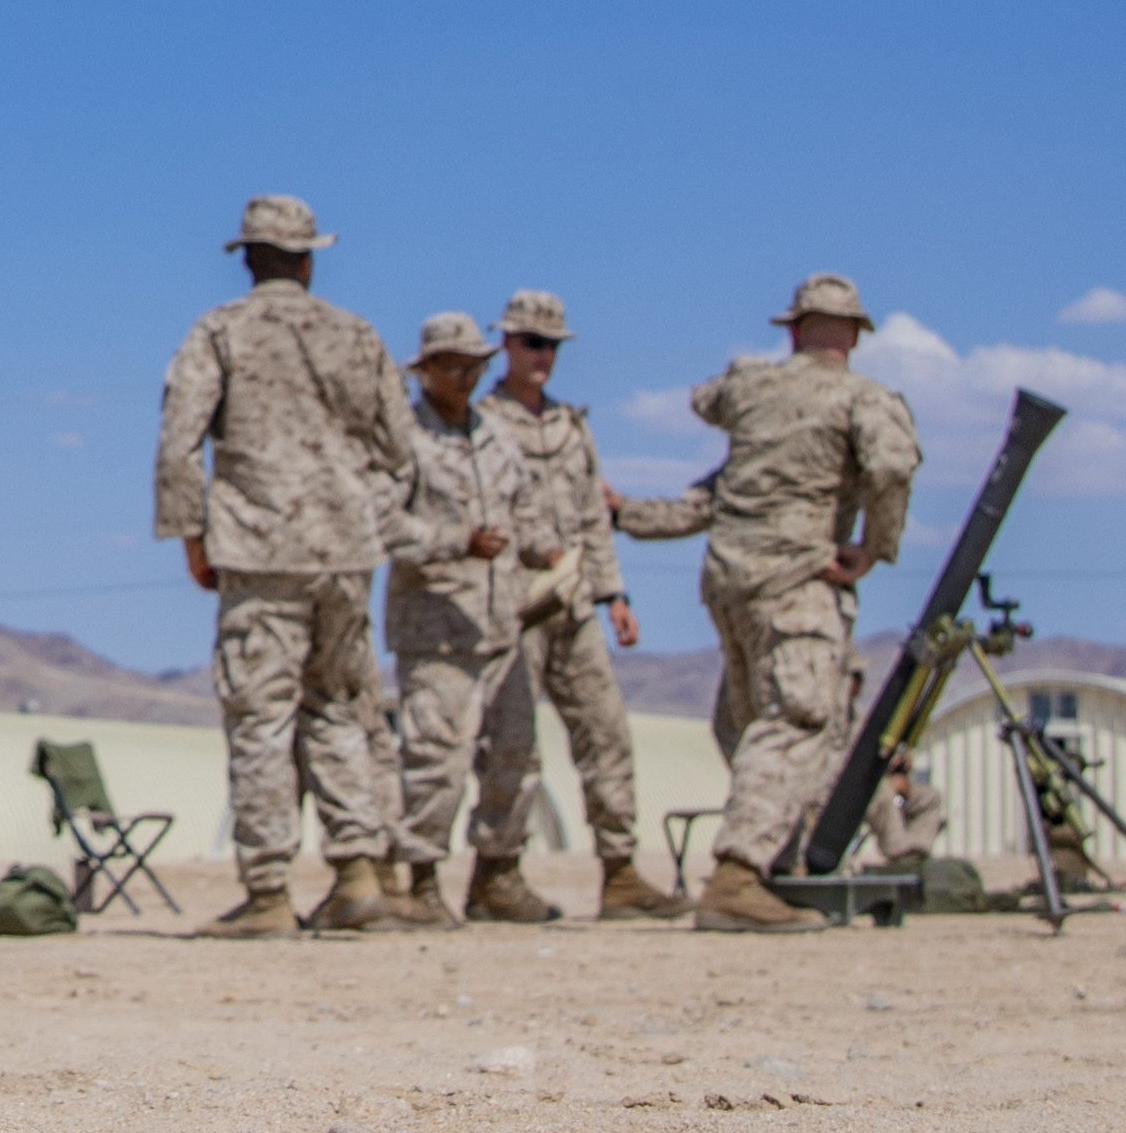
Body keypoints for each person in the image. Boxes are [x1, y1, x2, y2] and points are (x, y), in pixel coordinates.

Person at [603, 272, 918, 932]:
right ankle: (740, 874)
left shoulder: (750, 387)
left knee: (746, 724)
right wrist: (873, 546)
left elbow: (704, 415)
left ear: (795, 329)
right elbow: (891, 465)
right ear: (856, 335)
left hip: (729, 581)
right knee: (799, 719)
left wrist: (626, 514)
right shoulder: (865, 397)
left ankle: (780, 859)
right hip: (799, 576)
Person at [147, 197, 410, 938]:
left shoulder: (220, 330)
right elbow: (399, 449)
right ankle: (358, 875)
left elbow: (178, 442)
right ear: (307, 258)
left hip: (259, 552)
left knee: (261, 715)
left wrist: (192, 535)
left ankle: (267, 892)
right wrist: (361, 520)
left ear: (246, 257)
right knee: (336, 705)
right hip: (344, 555)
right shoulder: (357, 335)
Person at [463, 287, 666, 922]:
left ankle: (622, 869)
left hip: (574, 605)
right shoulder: (481, 422)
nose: (542, 355)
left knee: (606, 733)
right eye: (531, 343)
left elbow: (592, 515)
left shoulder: (571, 427)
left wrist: (614, 594)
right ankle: (496, 872)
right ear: (505, 346)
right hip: (511, 606)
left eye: (551, 345)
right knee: (512, 744)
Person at [374, 311, 525, 931]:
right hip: (434, 626)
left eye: (475, 366)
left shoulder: (496, 436)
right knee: (435, 757)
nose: (467, 377)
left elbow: (523, 508)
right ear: (425, 369)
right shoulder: (404, 439)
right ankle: (419, 879)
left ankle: (497, 875)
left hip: (500, 621)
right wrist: (455, 540)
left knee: (513, 755)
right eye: (454, 366)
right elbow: (383, 524)